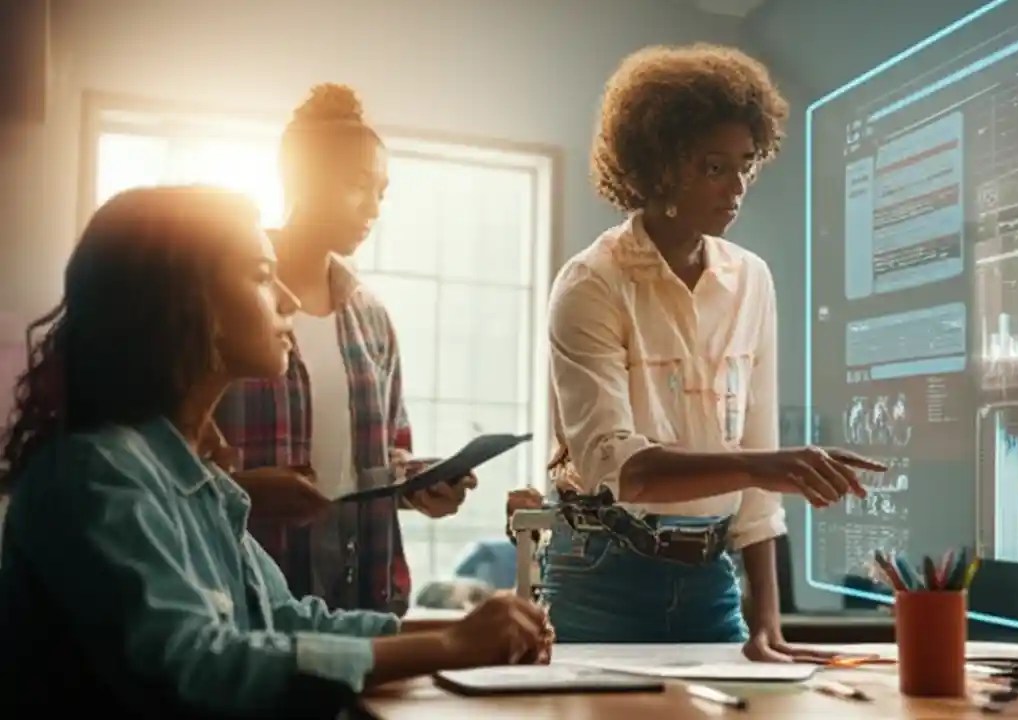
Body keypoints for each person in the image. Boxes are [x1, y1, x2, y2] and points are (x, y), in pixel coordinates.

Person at [0, 187, 550, 717]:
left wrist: (472, 631)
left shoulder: (199, 481)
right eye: (263, 276)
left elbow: (284, 620)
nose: (289, 300)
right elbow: (196, 666)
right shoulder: (96, 476)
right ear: (187, 302)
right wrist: (449, 647)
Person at [509, 44, 885, 660]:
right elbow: (618, 468)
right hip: (603, 577)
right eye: (714, 167)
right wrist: (761, 465)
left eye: (746, 165)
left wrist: (768, 622)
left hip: (713, 580)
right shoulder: (592, 284)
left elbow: (758, 487)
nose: (737, 188)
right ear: (656, 167)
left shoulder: (751, 279)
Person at [211, 84, 472, 615]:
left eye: (381, 191)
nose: (373, 206)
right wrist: (244, 491)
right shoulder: (227, 301)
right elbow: (169, 462)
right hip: (249, 594)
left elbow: (384, 455)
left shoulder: (370, 317)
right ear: (301, 180)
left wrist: (419, 483)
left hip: (362, 594)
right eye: (358, 185)